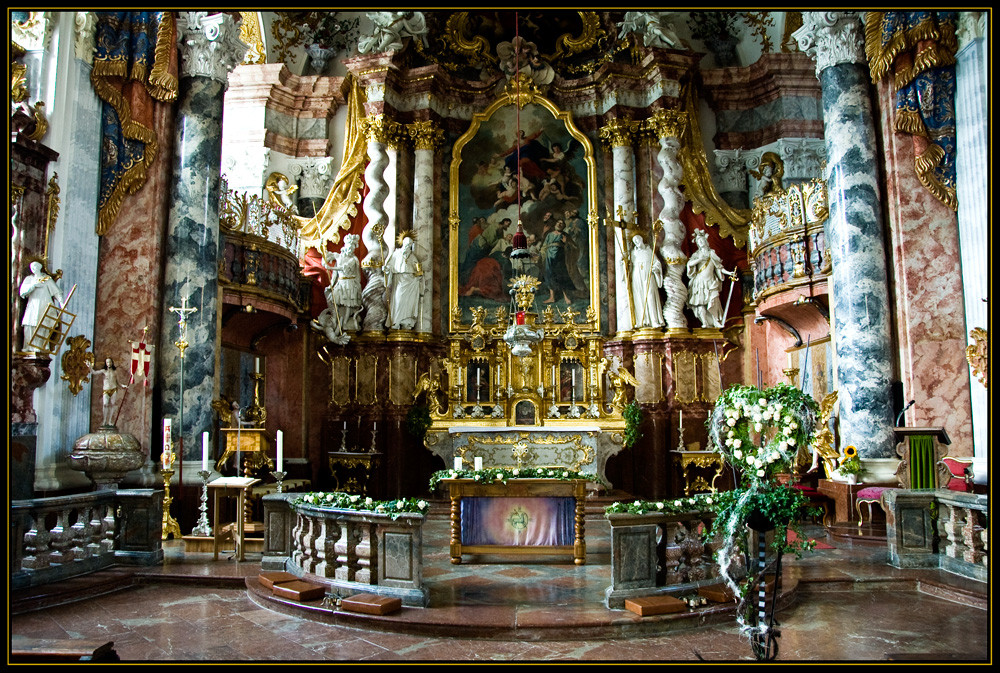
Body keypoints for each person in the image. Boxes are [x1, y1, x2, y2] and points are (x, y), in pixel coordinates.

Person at [686, 229, 734, 328]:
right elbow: (689, 264)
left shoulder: (711, 253)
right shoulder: (697, 255)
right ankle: (705, 322)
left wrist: (729, 273)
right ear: (697, 244)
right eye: (699, 241)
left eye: (702, 240)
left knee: (714, 300)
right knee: (700, 303)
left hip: (711, 282)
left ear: (706, 241)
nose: (701, 242)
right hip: (699, 282)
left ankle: (715, 321)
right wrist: (699, 260)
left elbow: (719, 267)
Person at [19, 260, 63, 352]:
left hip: (44, 304)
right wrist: (33, 285)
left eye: (35, 267)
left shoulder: (47, 279)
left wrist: (62, 303)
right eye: (32, 267)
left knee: (43, 325)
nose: (33, 269)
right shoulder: (29, 279)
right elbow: (22, 292)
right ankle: (29, 346)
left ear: (39, 268)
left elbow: (57, 292)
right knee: (29, 324)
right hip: (33, 305)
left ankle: (41, 346)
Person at [325, 234, 362, 334]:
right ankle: (335, 320)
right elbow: (335, 274)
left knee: (348, 305)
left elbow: (357, 274)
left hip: (350, 283)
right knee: (332, 300)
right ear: (345, 246)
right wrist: (332, 284)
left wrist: (358, 286)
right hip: (341, 282)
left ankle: (344, 323)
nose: (351, 249)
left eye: (352, 248)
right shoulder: (338, 257)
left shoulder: (354, 260)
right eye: (349, 247)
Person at [385, 235, 423, 330]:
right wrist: (386, 270)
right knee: (398, 300)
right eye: (406, 244)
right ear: (403, 243)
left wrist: (418, 275)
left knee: (409, 302)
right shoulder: (396, 254)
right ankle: (395, 321)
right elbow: (389, 267)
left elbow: (417, 270)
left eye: (410, 244)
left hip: (410, 282)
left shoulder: (412, 256)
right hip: (399, 280)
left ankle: (406, 321)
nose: (408, 246)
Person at [630, 235, 664, 328]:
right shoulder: (633, 253)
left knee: (650, 296)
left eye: (638, 239)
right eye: (634, 241)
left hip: (649, 275)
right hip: (637, 276)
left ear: (641, 239)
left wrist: (656, 268)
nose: (637, 242)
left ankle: (654, 320)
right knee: (639, 297)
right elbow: (629, 266)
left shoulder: (649, 251)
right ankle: (642, 320)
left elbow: (657, 263)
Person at [90, 357, 128, 427]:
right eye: (107, 362)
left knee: (112, 404)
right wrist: (89, 367)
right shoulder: (104, 371)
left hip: (113, 389)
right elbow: (94, 372)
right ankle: (104, 420)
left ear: (112, 363)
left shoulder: (115, 372)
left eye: (110, 362)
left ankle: (110, 420)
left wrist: (123, 385)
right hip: (106, 389)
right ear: (106, 363)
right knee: (105, 404)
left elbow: (118, 382)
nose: (109, 363)